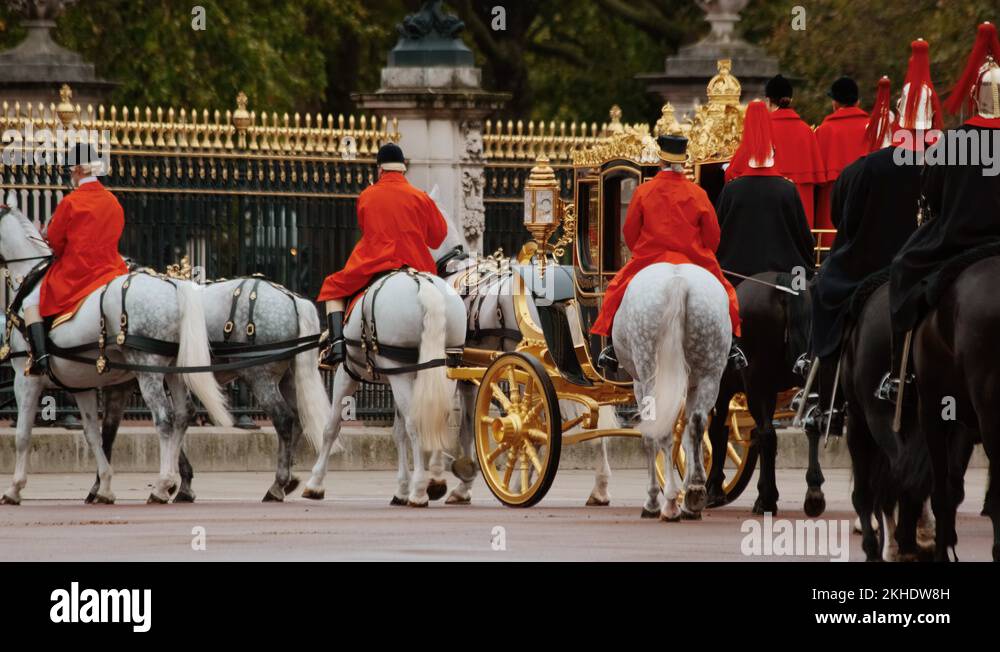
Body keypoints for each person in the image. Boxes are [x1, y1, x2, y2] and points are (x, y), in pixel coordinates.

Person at [885, 25, 1000, 401]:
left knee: (903, 267)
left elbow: (930, 201)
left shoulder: (952, 142)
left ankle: (899, 376)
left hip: (959, 241)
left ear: (974, 97)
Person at [593, 135, 741, 372]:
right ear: (684, 163)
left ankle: (611, 347)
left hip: (650, 257)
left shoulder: (643, 191)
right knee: (727, 293)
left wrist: (640, 250)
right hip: (693, 258)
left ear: (661, 161)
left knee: (616, 290)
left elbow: (630, 231)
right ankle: (732, 344)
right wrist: (702, 252)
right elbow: (713, 236)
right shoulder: (698, 193)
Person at [317, 142, 448, 366]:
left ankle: (337, 346)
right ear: (403, 168)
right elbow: (438, 238)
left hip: (374, 263)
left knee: (332, 287)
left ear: (380, 169)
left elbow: (366, 228)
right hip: (417, 266)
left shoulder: (367, 196)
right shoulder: (421, 197)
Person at [21, 141, 127, 376]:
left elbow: (56, 242)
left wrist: (46, 235)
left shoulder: (71, 202)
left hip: (78, 273)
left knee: (30, 302)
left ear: (79, 170)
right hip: (112, 270)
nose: (70, 175)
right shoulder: (113, 201)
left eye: (70, 170)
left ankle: (41, 360)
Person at [716, 100, 815, 279]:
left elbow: (717, 237)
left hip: (736, 275)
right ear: (774, 151)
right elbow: (804, 240)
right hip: (784, 274)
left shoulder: (732, 190)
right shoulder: (788, 189)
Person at [728, 75, 825, 227]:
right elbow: (819, 183)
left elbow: (733, 172)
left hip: (767, 215)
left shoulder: (761, 130)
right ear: (790, 100)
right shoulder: (807, 131)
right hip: (801, 220)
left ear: (768, 100)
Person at [814, 76, 870, 249]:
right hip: (865, 195)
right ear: (858, 102)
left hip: (831, 204)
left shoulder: (824, 130)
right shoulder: (871, 127)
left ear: (835, 104)